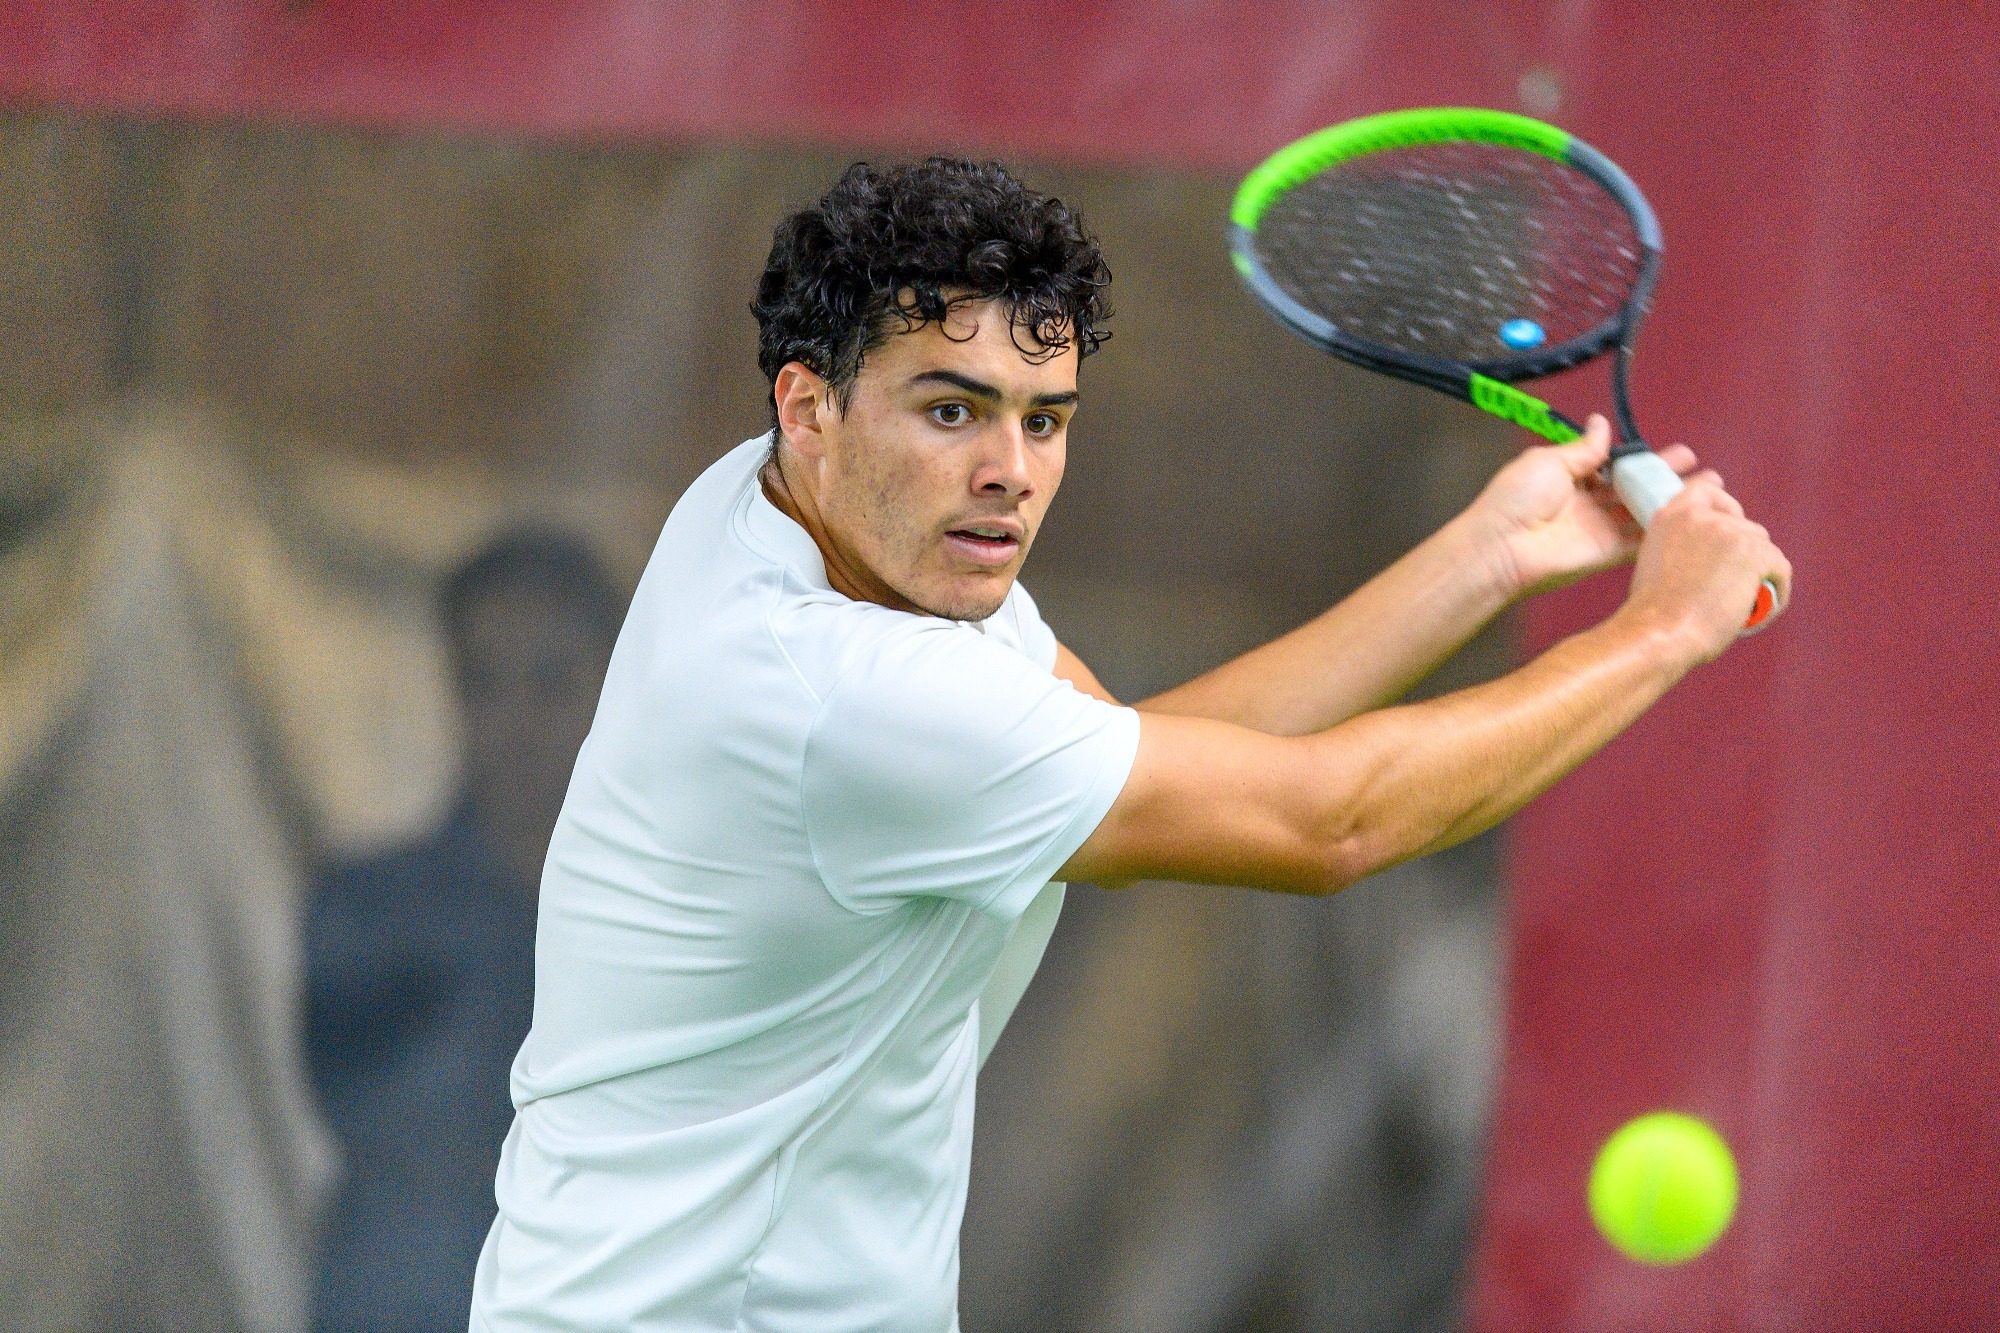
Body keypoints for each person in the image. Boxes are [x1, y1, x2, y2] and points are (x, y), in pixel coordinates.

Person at [469, 158, 1787, 1331]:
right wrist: (1661, 633)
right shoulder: (844, 694)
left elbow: (1129, 750)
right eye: (951, 410)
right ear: (808, 405)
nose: (1010, 470)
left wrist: (1488, 559)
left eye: (1043, 418)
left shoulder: (787, 518)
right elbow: (1328, 823)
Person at [307, 531, 623, 1332]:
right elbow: (396, 1134)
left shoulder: (674, 926)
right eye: (485, 683)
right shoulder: (370, 916)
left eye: (551, 683)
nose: (516, 724)